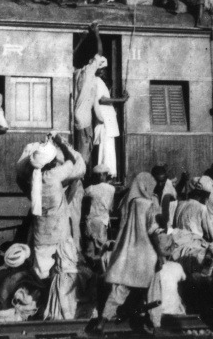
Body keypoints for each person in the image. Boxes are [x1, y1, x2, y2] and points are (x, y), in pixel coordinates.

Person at [93, 173, 166, 335]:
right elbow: (153, 231)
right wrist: (160, 254)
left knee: (120, 289)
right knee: (153, 289)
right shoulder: (149, 204)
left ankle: (102, 321)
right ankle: (156, 326)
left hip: (129, 251)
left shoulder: (129, 203)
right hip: (147, 253)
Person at [20, 134, 85, 280]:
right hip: (59, 234)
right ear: (51, 163)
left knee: (41, 275)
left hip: (40, 236)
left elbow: (20, 177)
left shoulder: (33, 179)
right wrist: (61, 142)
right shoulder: (54, 175)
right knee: (62, 272)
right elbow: (72, 161)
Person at [91, 57, 128, 177]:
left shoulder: (100, 82)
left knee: (108, 149)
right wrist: (120, 100)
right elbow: (102, 99)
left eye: (104, 69)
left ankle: (109, 174)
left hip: (107, 121)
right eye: (101, 69)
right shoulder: (96, 80)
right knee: (105, 149)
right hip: (104, 121)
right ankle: (104, 175)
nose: (103, 71)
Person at [73, 23, 103, 162]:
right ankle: (79, 177)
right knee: (84, 152)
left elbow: (72, 55)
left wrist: (80, 40)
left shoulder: (76, 73)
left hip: (78, 116)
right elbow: (100, 53)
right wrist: (96, 33)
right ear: (90, 61)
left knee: (80, 149)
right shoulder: (89, 72)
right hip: (84, 119)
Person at [83, 163, 115, 265]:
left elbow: (83, 199)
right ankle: (101, 269)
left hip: (91, 221)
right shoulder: (111, 189)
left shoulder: (90, 189)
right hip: (103, 221)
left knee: (89, 249)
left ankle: (90, 271)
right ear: (104, 175)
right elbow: (111, 206)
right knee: (102, 249)